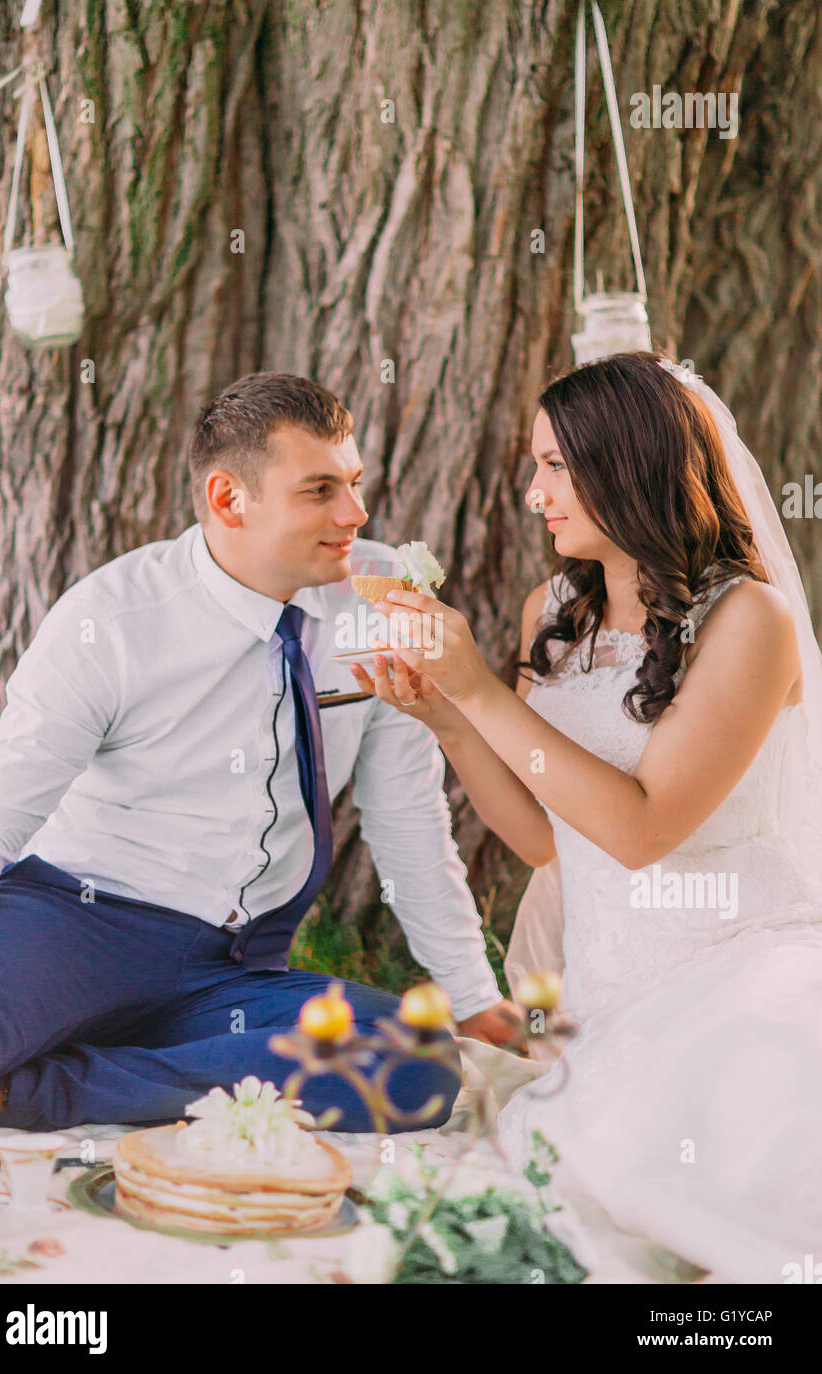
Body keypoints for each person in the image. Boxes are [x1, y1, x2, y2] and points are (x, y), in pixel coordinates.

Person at [351, 350, 822, 1282]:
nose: (534, 494)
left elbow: (643, 832)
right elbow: (540, 838)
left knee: (706, 1154)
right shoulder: (554, 612)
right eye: (537, 467)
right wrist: (446, 715)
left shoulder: (748, 621)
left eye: (556, 467)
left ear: (630, 462)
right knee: (583, 1156)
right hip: (607, 987)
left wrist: (482, 692)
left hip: (732, 957)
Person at [0, 371, 519, 1134]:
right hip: (74, 925)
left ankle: (36, 1090)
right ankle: (61, 1032)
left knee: (417, 1065)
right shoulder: (113, 620)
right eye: (318, 490)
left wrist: (475, 997)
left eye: (353, 483)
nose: (354, 513)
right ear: (229, 499)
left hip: (235, 970)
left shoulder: (376, 600)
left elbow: (406, 815)